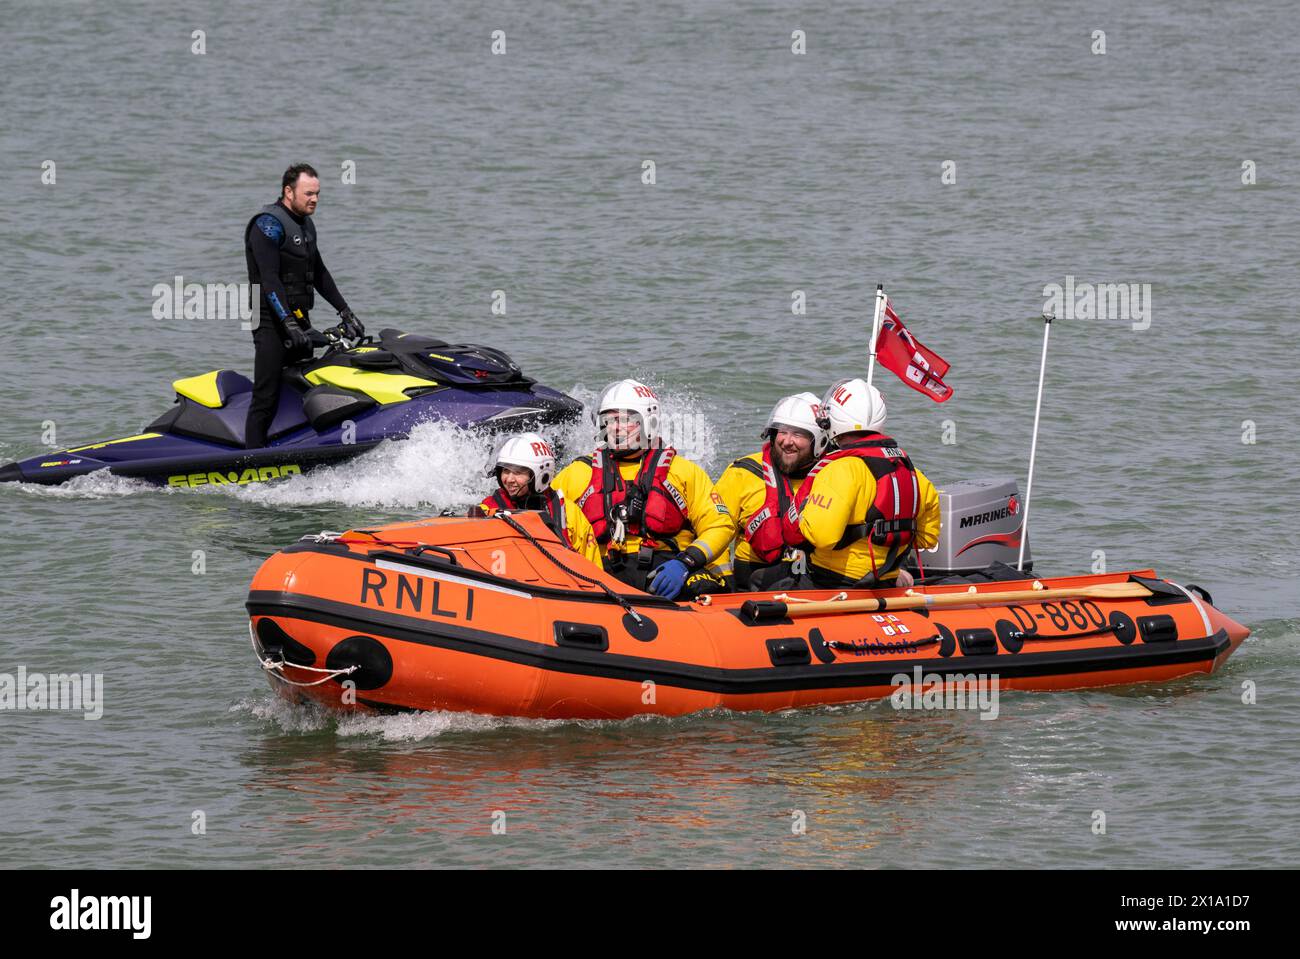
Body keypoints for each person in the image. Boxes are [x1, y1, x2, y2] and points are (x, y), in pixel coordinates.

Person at [553, 380, 734, 599]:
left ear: (649, 422)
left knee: (704, 588)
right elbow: (542, 514)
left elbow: (720, 525)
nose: (615, 427)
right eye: (609, 420)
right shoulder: (577, 473)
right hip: (601, 574)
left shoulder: (683, 471)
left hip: (666, 569)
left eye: (625, 420)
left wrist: (685, 562)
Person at [243, 162, 364, 449]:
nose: (315, 199)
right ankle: (250, 461)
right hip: (271, 322)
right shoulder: (267, 225)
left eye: (318, 194)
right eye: (309, 193)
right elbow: (269, 280)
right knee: (266, 395)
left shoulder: (306, 224)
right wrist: (286, 323)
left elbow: (320, 273)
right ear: (288, 191)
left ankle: (300, 447)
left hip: (298, 319)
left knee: (308, 385)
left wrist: (345, 311)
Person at [796, 378, 941, 588]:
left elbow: (822, 537)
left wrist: (803, 511)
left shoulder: (839, 470)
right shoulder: (913, 473)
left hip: (832, 582)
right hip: (888, 580)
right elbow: (927, 539)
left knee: (763, 579)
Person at [710, 392, 828, 591]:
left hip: (815, 583)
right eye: (782, 432)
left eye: (798, 434)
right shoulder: (743, 473)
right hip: (750, 582)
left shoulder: (835, 476)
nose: (787, 441)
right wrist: (723, 579)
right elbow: (714, 527)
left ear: (820, 441)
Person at [474, 432, 602, 567]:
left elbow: (594, 569)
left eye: (518, 472)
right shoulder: (487, 510)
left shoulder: (568, 514)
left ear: (541, 476)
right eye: (505, 471)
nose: (509, 479)